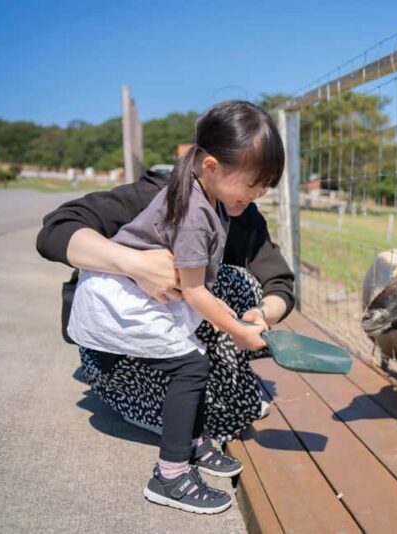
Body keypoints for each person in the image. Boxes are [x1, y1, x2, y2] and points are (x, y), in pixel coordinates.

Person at [36, 101, 293, 514]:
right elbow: (193, 292)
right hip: (118, 320)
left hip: (156, 311)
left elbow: (278, 280)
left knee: (224, 309)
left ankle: (190, 440)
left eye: (265, 186)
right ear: (212, 166)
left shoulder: (226, 203)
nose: (258, 195)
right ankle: (170, 476)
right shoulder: (188, 209)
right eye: (254, 184)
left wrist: (264, 314)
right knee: (192, 364)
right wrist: (135, 264)